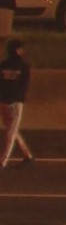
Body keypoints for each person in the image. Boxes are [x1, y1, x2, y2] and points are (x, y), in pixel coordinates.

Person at [0, 39, 33, 169]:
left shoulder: (3, 65)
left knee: (11, 129)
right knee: (11, 132)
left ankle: (27, 155)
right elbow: (25, 85)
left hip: (3, 101)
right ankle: (3, 162)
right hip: (15, 102)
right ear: (18, 50)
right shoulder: (24, 66)